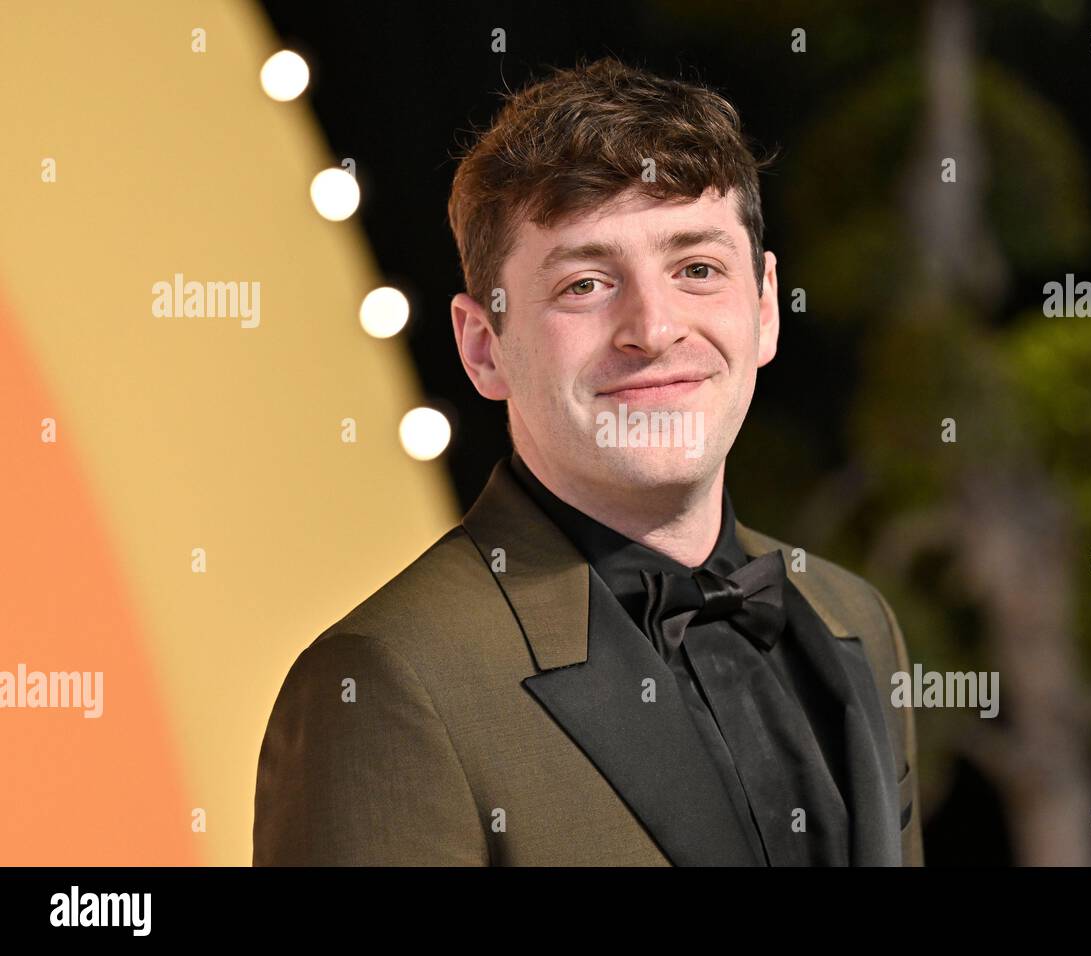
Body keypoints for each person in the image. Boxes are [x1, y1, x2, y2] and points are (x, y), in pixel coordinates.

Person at [253, 55, 922, 866]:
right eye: (585, 284)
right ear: (482, 348)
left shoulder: (857, 621)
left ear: (764, 308)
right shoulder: (386, 683)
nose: (655, 326)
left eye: (697, 269)